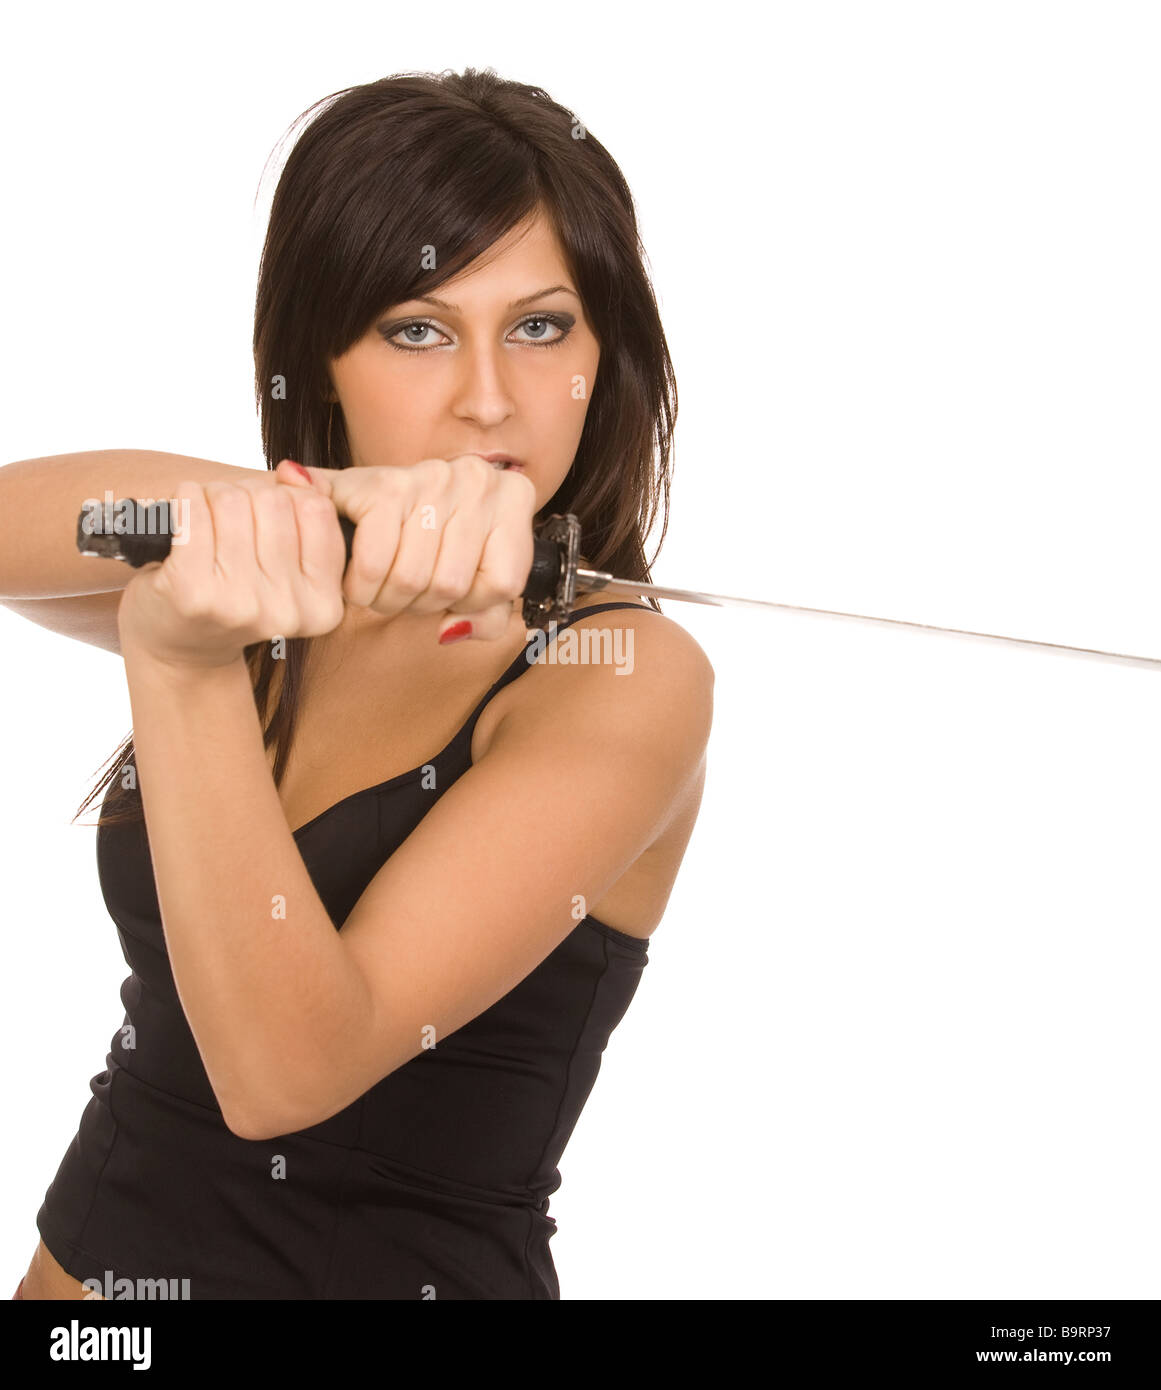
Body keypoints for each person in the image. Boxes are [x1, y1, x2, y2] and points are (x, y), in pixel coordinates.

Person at [3, 67, 713, 1300]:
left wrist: (180, 659)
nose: (489, 396)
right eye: (417, 329)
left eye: (542, 326)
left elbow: (285, 1073)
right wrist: (312, 507)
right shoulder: (284, 572)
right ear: (323, 358)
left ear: (607, 355)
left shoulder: (625, 676)